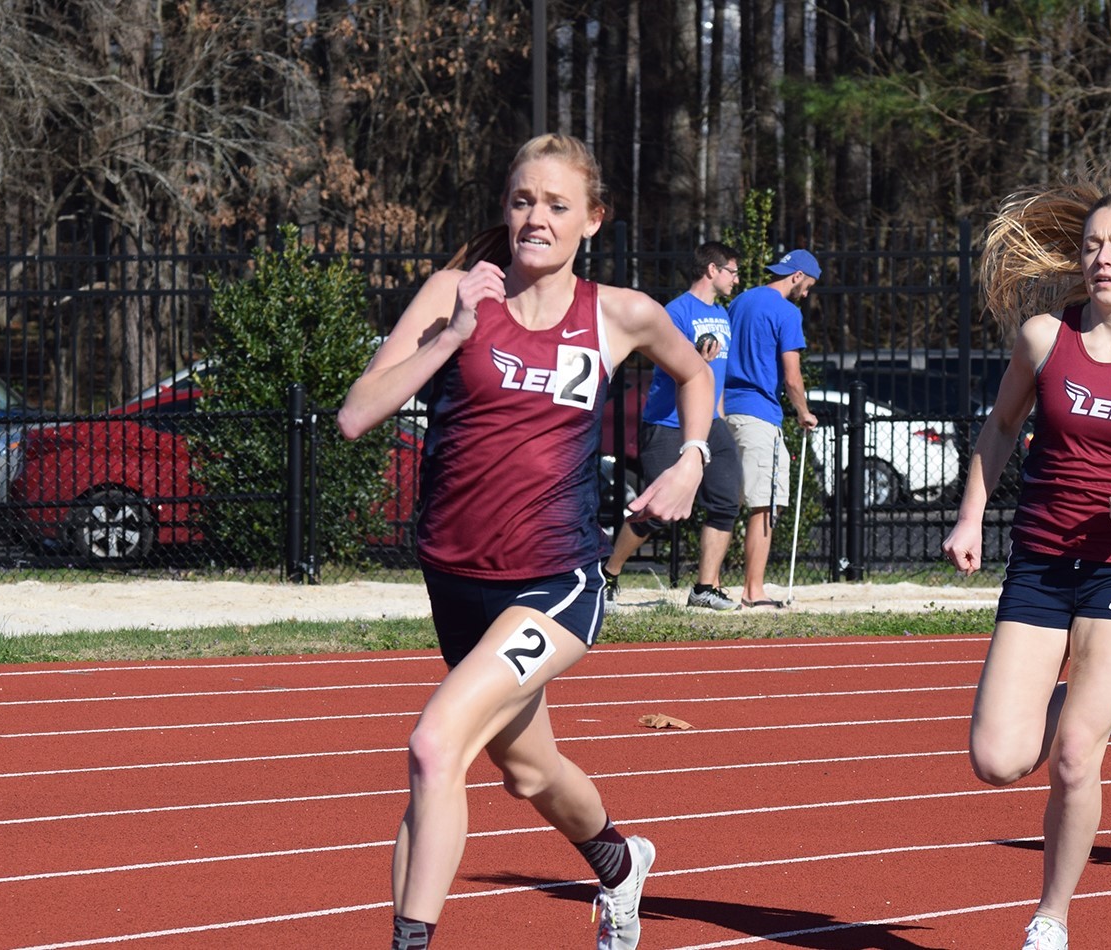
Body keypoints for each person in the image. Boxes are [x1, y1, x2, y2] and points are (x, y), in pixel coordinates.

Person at [336, 134, 713, 950]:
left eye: (555, 204)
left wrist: (692, 457)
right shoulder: (456, 291)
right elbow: (356, 414)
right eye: (522, 201)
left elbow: (693, 373)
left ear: (593, 220)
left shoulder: (620, 314)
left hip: (556, 582)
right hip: (457, 580)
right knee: (528, 770)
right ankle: (618, 862)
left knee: (436, 745)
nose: (534, 218)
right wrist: (454, 333)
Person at [941, 183, 1111, 950]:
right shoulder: (1043, 337)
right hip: (1040, 559)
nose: (1103, 259)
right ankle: (1084, 698)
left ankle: (1051, 916)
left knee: (1073, 758)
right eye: (1094, 246)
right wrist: (971, 515)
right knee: (998, 760)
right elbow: (1001, 428)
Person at [602, 241, 744, 611]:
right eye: (732, 270)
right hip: (667, 423)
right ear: (711, 270)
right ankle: (609, 574)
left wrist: (721, 419)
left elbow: (719, 376)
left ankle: (705, 588)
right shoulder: (676, 312)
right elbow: (667, 365)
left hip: (711, 423)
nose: (736, 278)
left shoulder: (724, 315)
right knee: (659, 510)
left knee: (726, 501)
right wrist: (694, 358)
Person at [722, 248, 821, 608]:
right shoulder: (786, 312)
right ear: (796, 276)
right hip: (759, 414)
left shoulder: (741, 302)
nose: (806, 294)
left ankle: (711, 583)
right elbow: (793, 377)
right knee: (763, 505)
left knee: (725, 503)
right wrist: (803, 412)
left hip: (724, 410)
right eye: (807, 285)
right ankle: (753, 591)